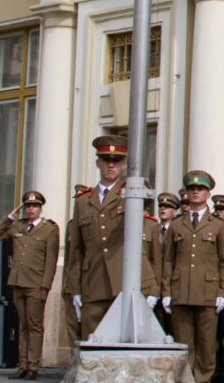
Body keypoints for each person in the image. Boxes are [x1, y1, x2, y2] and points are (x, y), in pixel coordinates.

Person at [65, 135, 161, 339]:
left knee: (127, 341)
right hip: (94, 281)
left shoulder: (131, 192)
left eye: (116, 161)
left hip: (124, 279)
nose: (111, 166)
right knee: (93, 340)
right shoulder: (83, 201)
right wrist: (75, 288)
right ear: (97, 163)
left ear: (124, 164)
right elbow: (76, 250)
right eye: (106, 160)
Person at [162, 170, 224, 383]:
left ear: (208, 194)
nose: (195, 192)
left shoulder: (218, 226)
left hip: (207, 291)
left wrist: (223, 291)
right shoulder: (177, 224)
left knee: (206, 343)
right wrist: (166, 290)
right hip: (181, 289)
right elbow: (168, 261)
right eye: (192, 189)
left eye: (200, 189)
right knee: (184, 342)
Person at [0, 192, 59, 378]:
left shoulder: (49, 229)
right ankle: (22, 365)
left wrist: (46, 285)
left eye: (35, 206)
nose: (31, 209)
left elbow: (51, 260)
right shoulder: (18, 225)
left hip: (36, 284)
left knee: (34, 325)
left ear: (40, 208)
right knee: (23, 325)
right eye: (28, 206)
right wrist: (10, 216)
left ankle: (33, 366)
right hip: (18, 281)